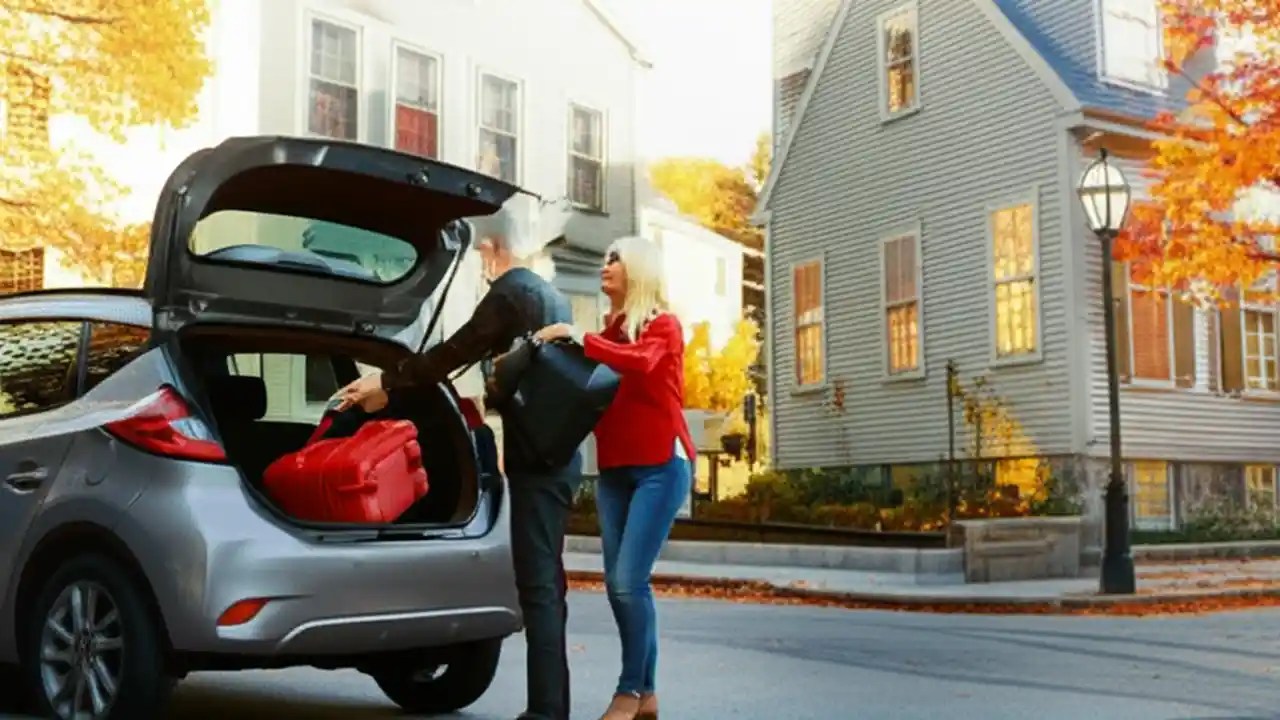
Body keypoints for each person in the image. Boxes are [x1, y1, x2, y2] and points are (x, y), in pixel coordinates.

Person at [336, 199, 580, 720]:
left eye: (481, 252)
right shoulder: (551, 296)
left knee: (538, 586)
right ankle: (550, 707)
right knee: (546, 585)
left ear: (492, 249)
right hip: (562, 454)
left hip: (539, 460)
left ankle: (547, 713)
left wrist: (383, 380)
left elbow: (453, 355)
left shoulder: (511, 292)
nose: (480, 263)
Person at [534, 236, 692, 720]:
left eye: (615, 258)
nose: (606, 265)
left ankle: (629, 691)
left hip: (661, 467)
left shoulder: (662, 326)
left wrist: (580, 338)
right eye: (605, 257)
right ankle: (647, 695)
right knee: (623, 585)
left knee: (628, 581)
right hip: (615, 470)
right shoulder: (610, 331)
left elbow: (643, 363)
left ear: (638, 271)